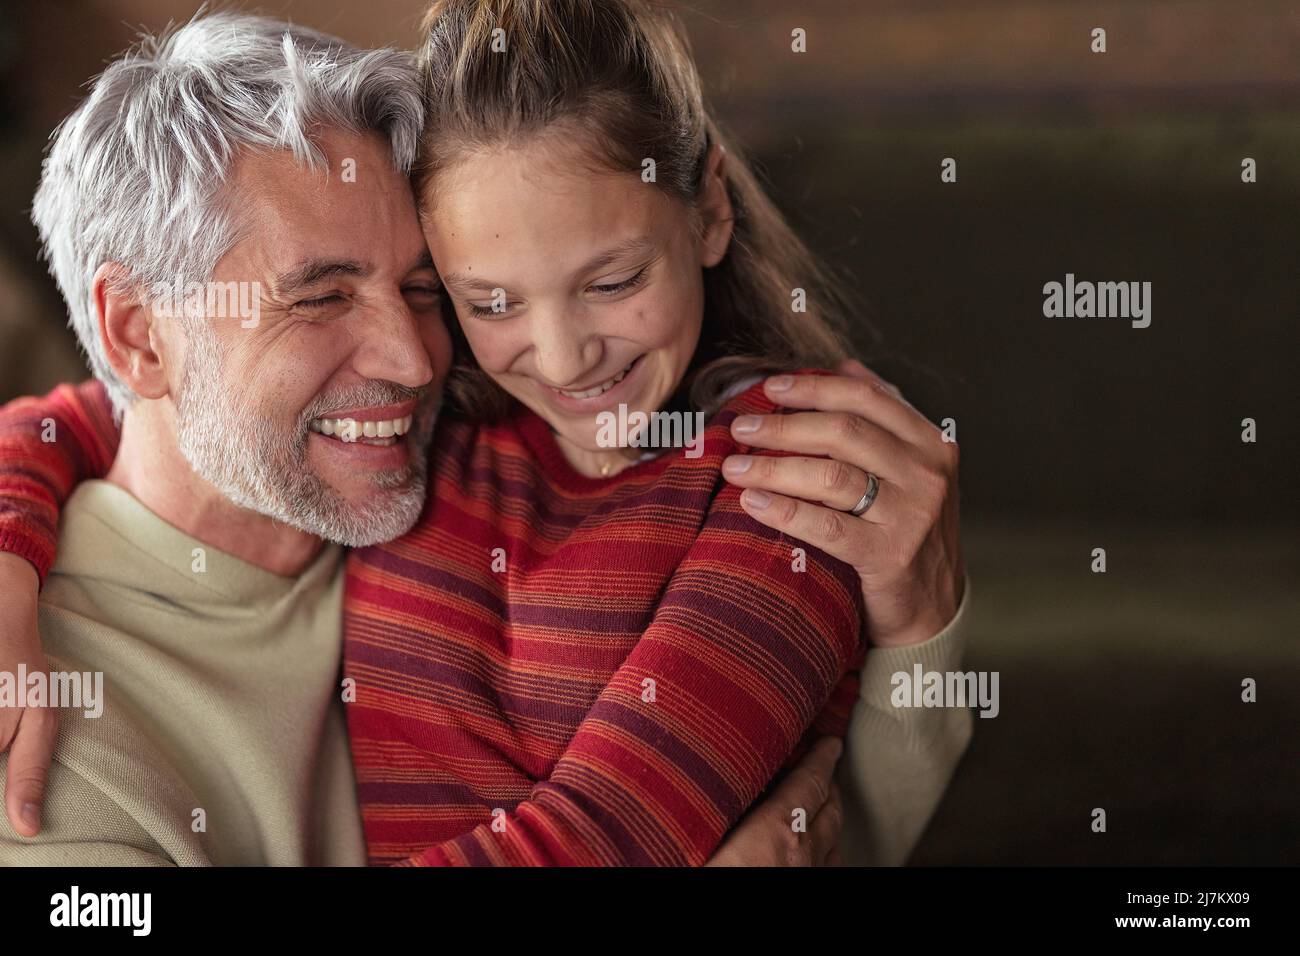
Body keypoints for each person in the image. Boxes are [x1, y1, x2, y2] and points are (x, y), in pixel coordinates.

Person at [0, 8, 970, 866]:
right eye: (322, 295)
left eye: (427, 290)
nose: (417, 359)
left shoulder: (401, 473)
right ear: (139, 333)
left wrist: (921, 636)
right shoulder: (40, 736)